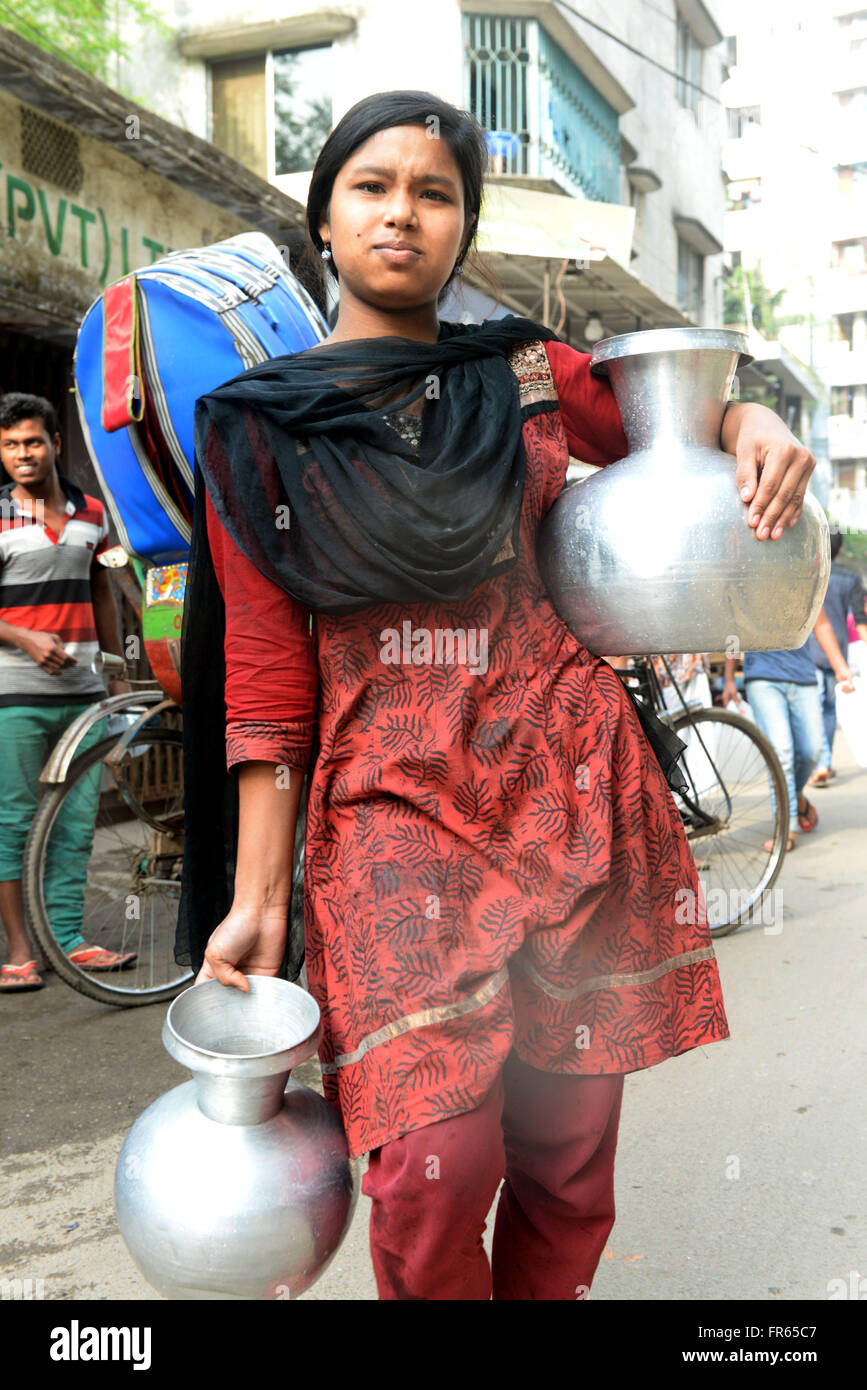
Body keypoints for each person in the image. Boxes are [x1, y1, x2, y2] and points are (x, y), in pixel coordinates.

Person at [177, 91, 823, 1300]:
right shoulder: (263, 429)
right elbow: (266, 685)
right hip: (391, 813)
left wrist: (748, 420)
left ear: (462, 228)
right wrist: (258, 898)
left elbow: (663, 418)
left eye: (435, 193)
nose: (402, 214)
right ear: (324, 214)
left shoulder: (523, 372)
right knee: (432, 1160)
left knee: (570, 1163)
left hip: (568, 788)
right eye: (372, 186)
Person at [0, 393, 135, 991]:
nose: (21, 454)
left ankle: (67, 939)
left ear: (56, 443)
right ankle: (20, 949)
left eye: (31, 441)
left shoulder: (93, 514)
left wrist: (116, 670)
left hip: (84, 694)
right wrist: (24, 639)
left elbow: (102, 590)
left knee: (77, 824)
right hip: (16, 694)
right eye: (9, 445)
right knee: (14, 822)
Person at [722, 611, 855, 853]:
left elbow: (821, 623)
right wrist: (729, 677)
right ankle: (786, 828)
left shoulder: (802, 575)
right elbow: (734, 629)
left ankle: (794, 796)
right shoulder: (746, 577)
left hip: (802, 674)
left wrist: (840, 668)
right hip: (762, 677)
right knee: (781, 753)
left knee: (811, 750)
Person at [804, 527, 867, 785]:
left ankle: (817, 761)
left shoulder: (807, 575)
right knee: (828, 709)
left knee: (814, 707)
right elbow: (861, 620)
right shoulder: (850, 578)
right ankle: (824, 762)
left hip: (808, 650)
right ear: (840, 549)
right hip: (835, 651)